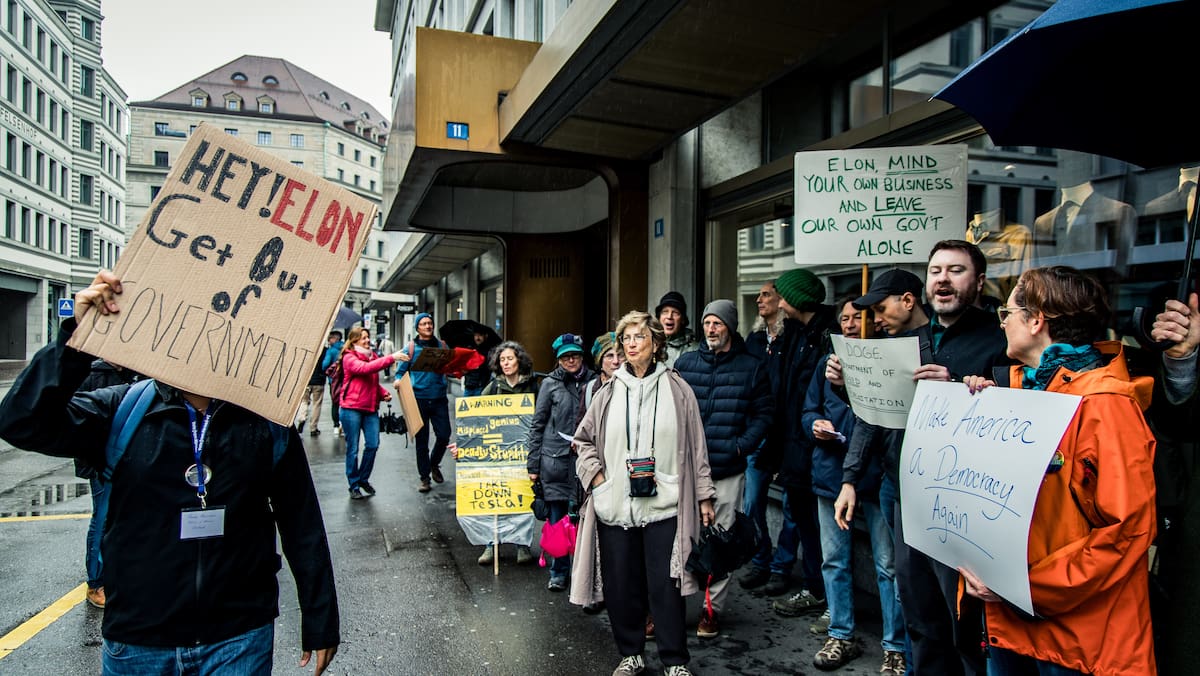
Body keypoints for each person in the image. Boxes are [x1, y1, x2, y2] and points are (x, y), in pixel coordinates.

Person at [0, 271, 339, 675]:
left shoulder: (267, 424)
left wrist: (320, 619)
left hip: (238, 638)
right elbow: (20, 421)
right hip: (139, 641)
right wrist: (75, 339)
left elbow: (302, 524)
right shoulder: (120, 410)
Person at [961, 266, 1157, 675]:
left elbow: (1126, 530)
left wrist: (1025, 588)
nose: (1002, 323)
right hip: (1012, 619)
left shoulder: (1105, 405)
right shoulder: (1021, 395)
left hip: (1076, 640)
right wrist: (978, 417)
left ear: (1036, 321)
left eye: (1007, 313)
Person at [833, 242, 1009, 676]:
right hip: (908, 496)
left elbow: (1017, 416)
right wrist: (845, 386)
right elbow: (877, 415)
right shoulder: (907, 342)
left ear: (979, 281)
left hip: (968, 505)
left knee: (966, 623)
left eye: (956, 270)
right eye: (935, 270)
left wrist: (960, 389)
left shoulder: (1001, 339)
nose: (943, 279)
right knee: (920, 613)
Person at [571, 310, 716, 676]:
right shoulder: (608, 391)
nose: (631, 344)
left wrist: (704, 495)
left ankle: (674, 660)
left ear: (656, 343)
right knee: (621, 585)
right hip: (615, 504)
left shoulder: (678, 389)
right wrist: (598, 479)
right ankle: (631, 654)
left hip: (665, 505)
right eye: (626, 338)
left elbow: (697, 446)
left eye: (639, 337)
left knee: (666, 586)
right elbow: (582, 440)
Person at [803, 297, 905, 675]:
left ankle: (895, 645)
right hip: (831, 474)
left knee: (888, 565)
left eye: (857, 317)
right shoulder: (826, 364)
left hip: (878, 476)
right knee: (834, 560)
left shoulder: (886, 364)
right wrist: (814, 425)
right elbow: (808, 409)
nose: (849, 324)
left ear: (874, 322)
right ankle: (840, 633)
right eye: (844, 318)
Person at [673, 299, 773, 639]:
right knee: (679, 539)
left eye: (717, 323)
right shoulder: (685, 364)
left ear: (730, 327)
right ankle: (670, 609)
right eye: (707, 323)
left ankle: (710, 610)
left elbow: (764, 415)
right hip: (687, 470)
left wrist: (741, 445)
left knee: (721, 541)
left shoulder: (752, 367)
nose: (711, 329)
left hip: (728, 469)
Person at [761, 268, 836, 612]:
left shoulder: (825, 336)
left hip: (817, 446)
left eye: (784, 297)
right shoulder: (792, 334)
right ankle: (815, 586)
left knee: (820, 527)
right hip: (792, 444)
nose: (779, 303)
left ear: (797, 300)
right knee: (805, 522)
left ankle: (823, 593)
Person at [740, 281, 801, 598]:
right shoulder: (753, 340)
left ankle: (781, 568)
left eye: (766, 295)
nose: (759, 300)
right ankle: (761, 560)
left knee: (792, 509)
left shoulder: (793, 338)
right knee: (752, 503)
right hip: (758, 434)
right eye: (760, 295)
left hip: (788, 436)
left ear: (781, 301)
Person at [526, 332, 592, 591]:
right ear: (558, 360)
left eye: (574, 355)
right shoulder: (550, 384)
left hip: (585, 461)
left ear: (582, 356)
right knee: (557, 520)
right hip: (554, 462)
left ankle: (585, 575)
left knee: (586, 522)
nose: (570, 360)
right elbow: (538, 425)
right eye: (565, 357)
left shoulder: (595, 380)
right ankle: (558, 572)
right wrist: (533, 466)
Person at [74, 358, 141, 610]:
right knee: (102, 519)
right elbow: (76, 421)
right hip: (102, 461)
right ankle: (96, 582)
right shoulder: (93, 375)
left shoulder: (137, 374)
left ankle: (119, 576)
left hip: (131, 459)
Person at [473, 340, 539, 566]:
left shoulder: (533, 386)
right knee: (496, 496)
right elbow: (476, 418)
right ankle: (491, 544)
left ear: (519, 360)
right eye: (502, 360)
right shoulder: (493, 387)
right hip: (498, 451)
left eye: (510, 358)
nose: (506, 363)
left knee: (522, 496)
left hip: (524, 451)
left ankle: (522, 545)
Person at [338, 327, 403, 500]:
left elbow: (371, 381)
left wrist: (383, 393)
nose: (367, 340)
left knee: (373, 445)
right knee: (353, 449)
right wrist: (392, 358)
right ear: (354, 341)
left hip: (370, 408)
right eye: (363, 338)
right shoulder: (349, 357)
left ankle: (363, 479)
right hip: (351, 408)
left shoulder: (371, 356)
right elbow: (365, 369)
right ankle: (353, 485)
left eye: (368, 337)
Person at [394, 313, 452, 493]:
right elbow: (400, 371)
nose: (428, 326)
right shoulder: (411, 348)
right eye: (424, 323)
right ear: (417, 328)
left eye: (430, 323)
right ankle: (424, 478)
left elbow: (450, 367)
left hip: (439, 398)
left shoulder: (442, 346)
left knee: (444, 435)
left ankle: (434, 463)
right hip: (418, 399)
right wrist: (397, 380)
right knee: (422, 441)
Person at [655, 291, 698, 367]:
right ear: (659, 318)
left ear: (683, 319)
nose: (669, 316)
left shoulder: (695, 350)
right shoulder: (651, 346)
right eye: (665, 312)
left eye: (675, 312)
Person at [296, 340, 327, 436]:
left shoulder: (306, 347)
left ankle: (302, 418)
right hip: (319, 381)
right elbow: (326, 364)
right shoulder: (324, 350)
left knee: (304, 401)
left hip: (306, 380)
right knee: (316, 404)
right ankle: (313, 428)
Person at [585, 331, 622, 409]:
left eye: (620, 355)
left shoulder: (634, 387)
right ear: (600, 361)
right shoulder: (589, 389)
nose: (616, 361)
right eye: (610, 356)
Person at [321, 331, 345, 437]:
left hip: (334, 381)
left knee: (335, 403)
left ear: (336, 338)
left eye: (330, 338)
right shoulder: (346, 348)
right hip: (347, 381)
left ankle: (336, 425)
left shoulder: (331, 351)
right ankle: (344, 425)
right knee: (345, 403)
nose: (328, 340)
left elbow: (324, 365)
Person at [462, 328, 494, 397]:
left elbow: (490, 367)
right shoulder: (469, 349)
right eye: (476, 335)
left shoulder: (488, 351)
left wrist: (480, 364)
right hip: (469, 385)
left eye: (480, 335)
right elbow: (464, 366)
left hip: (481, 386)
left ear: (485, 336)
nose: (478, 338)